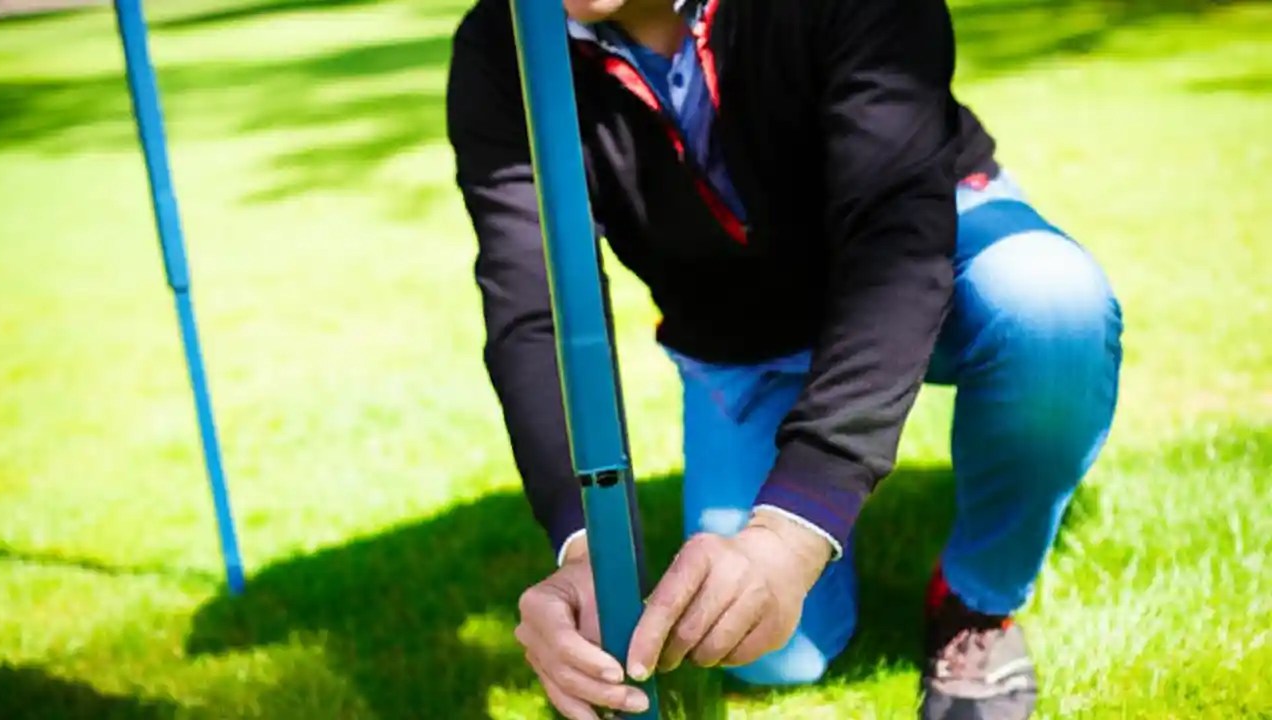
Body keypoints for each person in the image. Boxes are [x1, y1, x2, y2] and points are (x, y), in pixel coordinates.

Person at [445, 0, 1123, 717]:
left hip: (930, 248)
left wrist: (794, 529)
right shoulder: (501, 47)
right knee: (766, 651)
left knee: (1048, 304)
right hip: (744, 332)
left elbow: (893, 236)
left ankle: (977, 597)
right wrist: (590, 552)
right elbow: (539, 308)